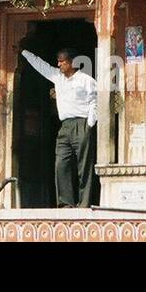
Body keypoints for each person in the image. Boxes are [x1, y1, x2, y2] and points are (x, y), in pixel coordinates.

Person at [21, 47, 98, 208]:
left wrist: (89, 123)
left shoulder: (85, 80)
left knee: (84, 166)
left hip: (81, 123)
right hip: (65, 126)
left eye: (62, 61)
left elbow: (95, 102)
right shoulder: (58, 77)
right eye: (58, 61)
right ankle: (65, 203)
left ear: (72, 63)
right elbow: (40, 65)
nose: (59, 64)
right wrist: (24, 52)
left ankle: (84, 203)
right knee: (61, 164)